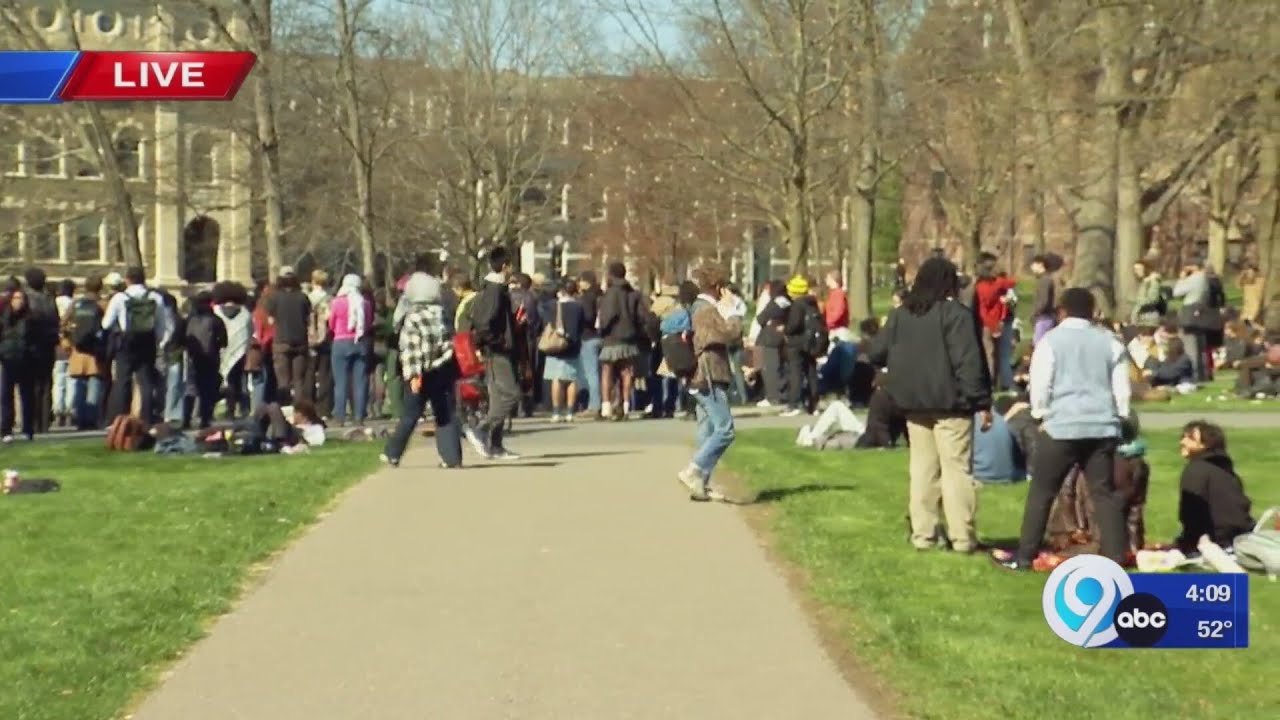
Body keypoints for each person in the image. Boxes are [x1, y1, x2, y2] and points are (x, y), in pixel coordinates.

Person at [995, 287, 1132, 571]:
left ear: (1062, 311)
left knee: (1043, 492)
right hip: (1101, 426)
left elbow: (1041, 382)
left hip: (1062, 426)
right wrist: (1120, 416)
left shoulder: (1051, 341)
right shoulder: (1110, 342)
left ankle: (1026, 556)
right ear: (1093, 311)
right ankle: (1117, 555)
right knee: (1103, 493)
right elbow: (1121, 386)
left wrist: (1041, 414)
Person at [868, 257, 991, 552]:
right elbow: (969, 362)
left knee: (922, 470)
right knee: (956, 470)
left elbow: (876, 352)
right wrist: (981, 401)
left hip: (913, 402)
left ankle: (923, 534)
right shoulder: (956, 315)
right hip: (952, 403)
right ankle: (962, 537)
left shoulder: (900, 316)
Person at [676, 265, 745, 502]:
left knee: (706, 430)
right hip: (708, 374)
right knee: (725, 430)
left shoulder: (700, 307)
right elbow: (727, 334)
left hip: (701, 374)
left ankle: (701, 485)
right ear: (719, 287)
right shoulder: (705, 309)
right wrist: (734, 311)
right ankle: (693, 470)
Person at [382, 273, 462, 469]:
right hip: (443, 368)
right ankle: (451, 457)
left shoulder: (413, 316)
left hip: (420, 372)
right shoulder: (441, 313)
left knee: (410, 415)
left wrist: (414, 374)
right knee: (445, 414)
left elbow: (412, 348)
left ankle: (393, 452)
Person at [466, 246, 522, 460]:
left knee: (498, 399)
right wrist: (498, 341)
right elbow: (483, 323)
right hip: (497, 351)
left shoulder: (495, 290)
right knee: (511, 394)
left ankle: (495, 445)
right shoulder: (494, 291)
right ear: (505, 266)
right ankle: (482, 428)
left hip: (498, 348)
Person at [1174, 421, 1254, 555]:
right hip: (1241, 537)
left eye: (1190, 438)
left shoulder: (1196, 470)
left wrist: (1186, 543)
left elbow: (1190, 514)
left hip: (1215, 541)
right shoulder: (1226, 470)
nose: (1182, 442)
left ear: (1206, 444)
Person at [101, 266, 168, 425]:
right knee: (145, 380)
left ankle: (118, 419)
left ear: (127, 279)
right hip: (147, 341)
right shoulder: (155, 297)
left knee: (122, 380)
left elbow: (106, 324)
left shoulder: (119, 298)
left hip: (126, 341)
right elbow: (161, 323)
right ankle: (146, 417)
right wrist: (159, 341)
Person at [597, 262, 643, 420]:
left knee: (607, 371)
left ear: (611, 274)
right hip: (630, 336)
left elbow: (608, 315)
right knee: (627, 371)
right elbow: (641, 316)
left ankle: (606, 407)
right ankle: (626, 405)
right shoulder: (634, 293)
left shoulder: (610, 293)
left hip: (612, 336)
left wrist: (602, 328)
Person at [328, 274, 373, 426]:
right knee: (360, 381)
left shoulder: (336, 303)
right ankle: (359, 416)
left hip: (340, 342)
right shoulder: (365, 303)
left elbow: (331, 324)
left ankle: (339, 416)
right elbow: (367, 323)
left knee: (340, 382)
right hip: (360, 343)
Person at [63, 274, 107, 430]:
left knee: (79, 386)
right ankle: (91, 419)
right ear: (100, 287)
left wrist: (68, 342)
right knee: (94, 384)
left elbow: (64, 323)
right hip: (96, 352)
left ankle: (80, 418)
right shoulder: (102, 305)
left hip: (78, 351)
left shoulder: (76, 304)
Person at [23, 268, 61, 434]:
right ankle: (44, 422)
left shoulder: (27, 298)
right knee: (46, 385)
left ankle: (31, 421)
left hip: (32, 347)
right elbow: (56, 321)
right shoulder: (49, 299)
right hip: (48, 345)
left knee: (31, 385)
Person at [266, 267, 311, 404]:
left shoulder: (274, 298)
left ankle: (285, 409)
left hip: (281, 342)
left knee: (283, 381)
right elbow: (308, 318)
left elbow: (270, 320)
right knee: (298, 380)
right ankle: (300, 409)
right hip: (300, 342)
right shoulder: (303, 297)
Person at [543, 278, 586, 423]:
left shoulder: (552, 306)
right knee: (572, 379)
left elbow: (546, 322)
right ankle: (569, 412)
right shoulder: (578, 307)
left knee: (557, 379)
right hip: (572, 345)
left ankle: (556, 412)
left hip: (555, 346)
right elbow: (582, 326)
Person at [972, 253, 1017, 391]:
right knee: (991, 355)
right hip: (991, 322)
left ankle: (993, 382)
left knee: (992, 354)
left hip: (991, 322)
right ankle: (991, 382)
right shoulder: (990, 285)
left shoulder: (981, 285)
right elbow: (1011, 282)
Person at [183, 291, 228, 428]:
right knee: (207, 391)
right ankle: (205, 418)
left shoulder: (189, 320)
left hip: (193, 358)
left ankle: (186, 419)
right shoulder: (216, 320)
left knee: (190, 389)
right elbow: (224, 341)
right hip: (211, 359)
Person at [781, 275, 821, 417]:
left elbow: (794, 325)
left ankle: (794, 404)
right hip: (811, 343)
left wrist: (784, 329)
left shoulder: (797, 305)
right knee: (811, 373)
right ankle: (813, 404)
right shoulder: (813, 303)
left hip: (797, 343)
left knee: (795, 373)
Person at [1172, 258, 1217, 382]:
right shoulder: (1206, 279)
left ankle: (1195, 375)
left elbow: (1176, 292)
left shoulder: (1195, 278)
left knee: (1190, 346)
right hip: (1201, 314)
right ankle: (1205, 374)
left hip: (1189, 314)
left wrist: (1182, 278)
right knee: (1201, 347)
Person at [0, 287, 36, 441]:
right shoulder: (4, 319)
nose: (18, 301)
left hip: (26, 360)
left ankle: (27, 429)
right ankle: (6, 429)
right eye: (15, 298)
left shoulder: (30, 318)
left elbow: (36, 338)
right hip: (7, 360)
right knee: (6, 396)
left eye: (21, 298)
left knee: (27, 396)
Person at [213, 282, 253, 419]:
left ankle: (219, 409)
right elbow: (249, 333)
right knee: (239, 381)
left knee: (219, 381)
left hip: (219, 351)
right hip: (241, 353)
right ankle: (239, 408)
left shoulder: (216, 311)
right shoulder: (245, 313)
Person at [752, 280, 789, 409]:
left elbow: (761, 318)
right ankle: (782, 394)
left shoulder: (774, 303)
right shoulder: (788, 302)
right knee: (781, 368)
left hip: (769, 339)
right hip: (783, 339)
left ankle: (772, 396)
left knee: (769, 369)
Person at [305, 270, 333, 415]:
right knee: (324, 375)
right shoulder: (329, 299)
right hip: (325, 339)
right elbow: (330, 318)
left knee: (309, 373)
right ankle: (324, 408)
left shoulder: (307, 298)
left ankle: (308, 405)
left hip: (309, 338)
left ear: (313, 281)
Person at [577, 270, 604, 417]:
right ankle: (606, 402)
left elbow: (588, 316)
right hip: (602, 336)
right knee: (602, 372)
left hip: (588, 336)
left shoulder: (587, 297)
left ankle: (594, 405)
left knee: (591, 373)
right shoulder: (601, 295)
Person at [52, 278, 76, 427]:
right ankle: (69, 410)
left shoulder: (53, 303)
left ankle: (57, 410)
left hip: (57, 347)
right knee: (71, 379)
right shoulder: (73, 304)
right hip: (72, 346)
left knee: (58, 380)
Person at [1028, 255, 1057, 345]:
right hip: (1044, 318)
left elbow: (1043, 301)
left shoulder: (1045, 280)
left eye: (1033, 265)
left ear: (1040, 264)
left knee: (1039, 346)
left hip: (1044, 319)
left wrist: (1034, 314)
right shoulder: (1043, 279)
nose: (1031, 268)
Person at [1130, 260, 1165, 328]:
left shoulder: (1153, 281)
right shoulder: (1143, 282)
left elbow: (1152, 299)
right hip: (1140, 320)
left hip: (1148, 320)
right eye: (1135, 269)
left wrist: (1139, 301)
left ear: (1145, 269)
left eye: (1139, 269)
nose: (1136, 272)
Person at [823, 270, 850, 342]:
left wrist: (827, 322)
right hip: (833, 329)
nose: (826, 280)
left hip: (838, 330)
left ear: (833, 279)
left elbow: (838, 312)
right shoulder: (833, 293)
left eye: (828, 278)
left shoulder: (838, 294)